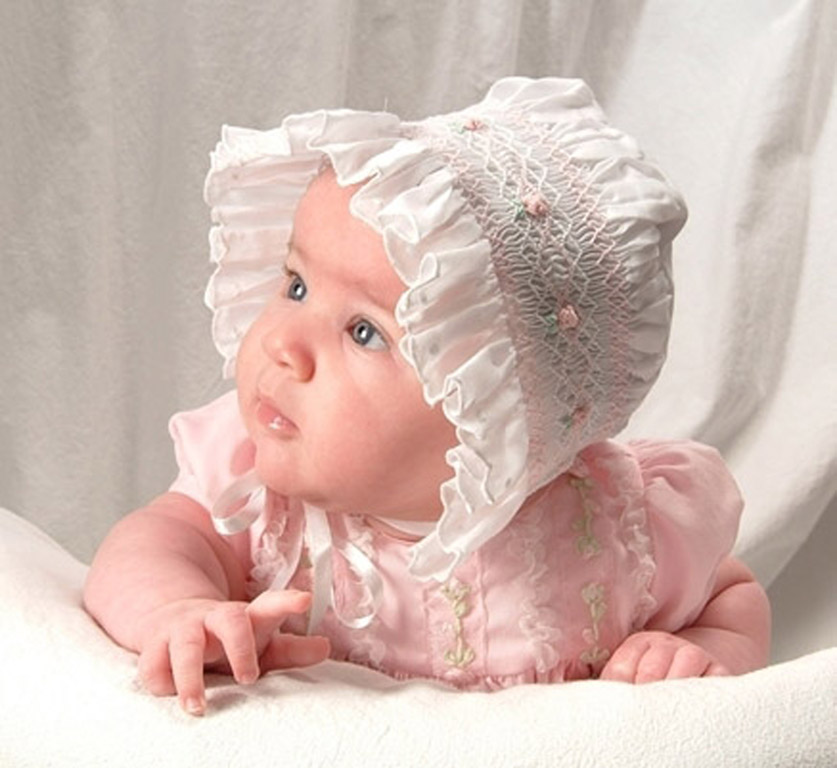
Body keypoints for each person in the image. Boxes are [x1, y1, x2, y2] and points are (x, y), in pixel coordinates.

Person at [84, 77, 771, 716]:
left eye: (363, 331)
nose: (281, 344)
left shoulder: (615, 529)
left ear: (494, 412)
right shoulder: (258, 490)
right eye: (295, 284)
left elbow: (734, 593)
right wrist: (178, 609)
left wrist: (706, 650)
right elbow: (151, 542)